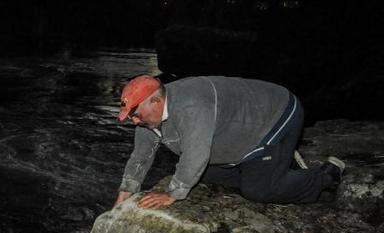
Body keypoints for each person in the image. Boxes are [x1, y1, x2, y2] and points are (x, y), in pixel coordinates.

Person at [113, 75, 344, 209]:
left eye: (136, 114)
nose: (135, 121)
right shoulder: (148, 117)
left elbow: (195, 154)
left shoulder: (191, 105)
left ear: (156, 101)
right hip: (240, 127)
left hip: (275, 115)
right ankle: (278, 163)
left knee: (258, 190)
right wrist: (126, 190)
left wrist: (172, 194)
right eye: (131, 116)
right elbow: (141, 155)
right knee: (203, 175)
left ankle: (325, 176)